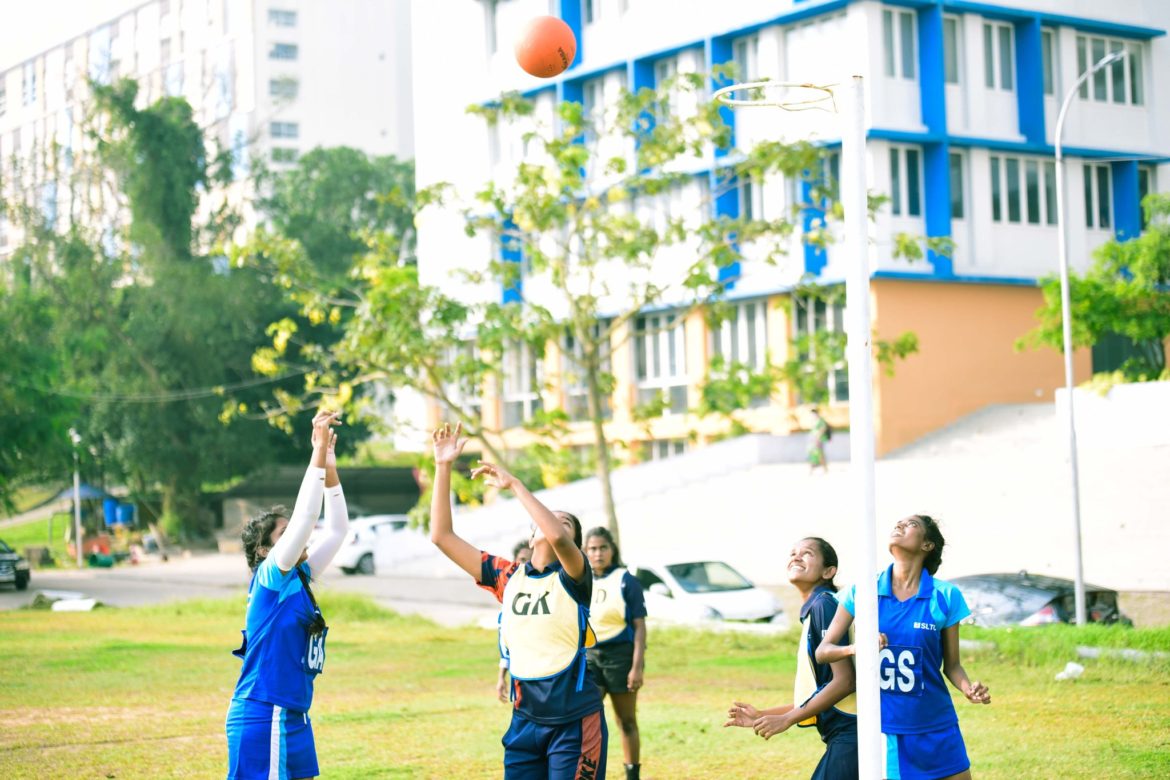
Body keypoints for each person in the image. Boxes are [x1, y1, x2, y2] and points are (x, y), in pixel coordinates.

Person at [428, 422, 607, 779]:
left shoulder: (574, 575)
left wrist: (515, 485)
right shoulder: (509, 576)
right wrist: (443, 467)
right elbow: (442, 536)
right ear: (529, 533)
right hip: (525, 720)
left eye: (565, 523)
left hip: (573, 720)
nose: (554, 523)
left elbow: (556, 536)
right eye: (548, 517)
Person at [816, 515, 991, 780]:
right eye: (897, 523)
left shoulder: (945, 596)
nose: (899, 526)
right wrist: (855, 648)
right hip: (889, 728)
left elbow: (952, 665)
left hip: (937, 723)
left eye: (911, 525)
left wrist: (969, 688)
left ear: (927, 545)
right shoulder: (863, 589)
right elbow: (823, 651)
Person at [227, 410, 347, 780]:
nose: (298, 537)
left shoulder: (300, 576)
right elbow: (307, 516)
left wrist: (330, 466)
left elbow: (338, 530)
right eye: (284, 535)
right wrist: (315, 449)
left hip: (293, 712)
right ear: (265, 551)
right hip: (264, 712)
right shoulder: (270, 579)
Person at [725, 537, 857, 779]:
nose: (796, 557)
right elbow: (818, 694)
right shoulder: (815, 608)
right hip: (843, 734)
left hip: (853, 732)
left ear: (829, 571)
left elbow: (845, 681)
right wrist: (765, 714)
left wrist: (786, 720)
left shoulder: (824, 606)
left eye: (807, 553)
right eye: (793, 553)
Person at [583, 527, 647, 780]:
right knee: (588, 720)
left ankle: (632, 774)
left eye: (603, 548)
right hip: (590, 657)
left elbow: (640, 626)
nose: (598, 554)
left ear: (612, 550)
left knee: (626, 720)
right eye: (592, 549)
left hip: (621, 657)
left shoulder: (625, 579)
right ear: (585, 551)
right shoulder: (580, 579)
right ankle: (589, 772)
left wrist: (637, 666)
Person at [496, 539, 535, 702]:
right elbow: (505, 643)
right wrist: (501, 677)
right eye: (523, 560)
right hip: (520, 671)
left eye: (532, 560)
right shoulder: (511, 595)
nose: (527, 564)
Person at [807, 408, 830, 474]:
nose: (812, 415)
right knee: (817, 453)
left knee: (818, 454)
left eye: (813, 414)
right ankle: (823, 469)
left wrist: (818, 438)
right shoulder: (815, 421)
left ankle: (814, 469)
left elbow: (823, 429)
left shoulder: (820, 420)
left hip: (819, 439)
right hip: (815, 439)